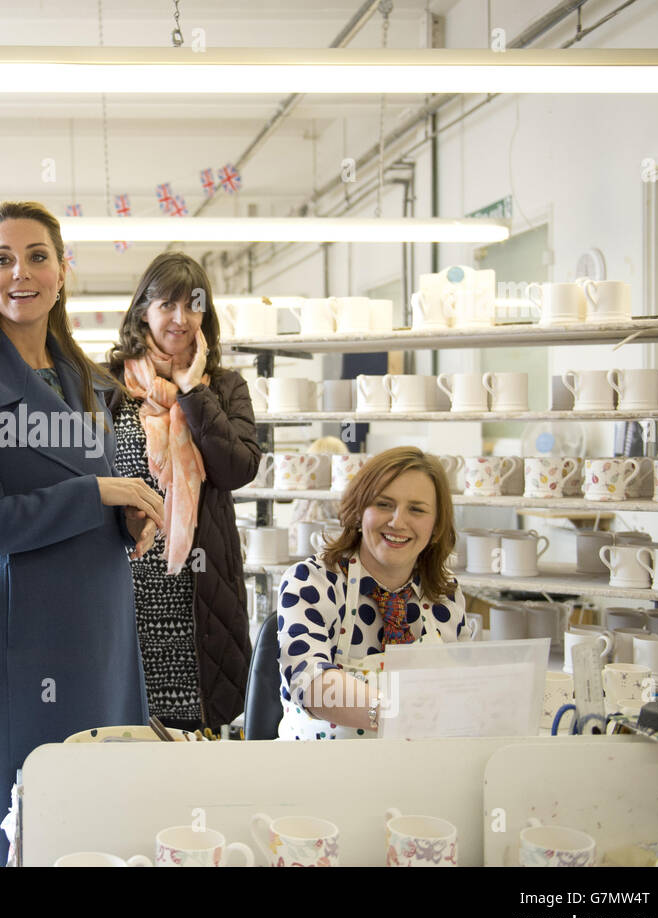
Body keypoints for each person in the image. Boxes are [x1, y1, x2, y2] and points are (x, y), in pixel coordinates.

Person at [0, 200, 164, 867]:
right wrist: (97, 493)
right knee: (26, 810)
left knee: (99, 802)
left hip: (101, 620)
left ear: (61, 270)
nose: (21, 272)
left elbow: (94, 479)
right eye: (2, 259)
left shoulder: (85, 381)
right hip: (28, 631)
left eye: (37, 255)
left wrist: (125, 512)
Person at [103, 252, 261, 733]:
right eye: (166, 304)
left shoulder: (225, 387)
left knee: (196, 737)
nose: (179, 317)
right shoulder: (106, 388)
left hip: (201, 594)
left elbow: (237, 468)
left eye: (192, 306)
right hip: (125, 590)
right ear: (143, 311)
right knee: (121, 728)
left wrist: (194, 393)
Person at [276, 446, 467, 741]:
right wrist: (396, 714)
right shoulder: (312, 582)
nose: (398, 522)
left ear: (437, 526)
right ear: (358, 510)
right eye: (384, 504)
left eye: (416, 509)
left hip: (418, 772)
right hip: (317, 773)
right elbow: (310, 684)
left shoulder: (445, 596)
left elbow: (464, 689)